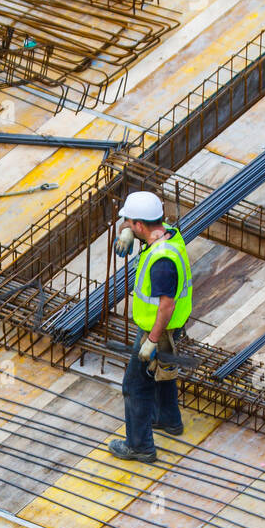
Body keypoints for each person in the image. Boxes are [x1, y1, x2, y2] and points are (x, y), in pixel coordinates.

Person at [108, 190, 192, 464]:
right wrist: (125, 231)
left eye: (131, 224)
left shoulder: (162, 262)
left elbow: (166, 304)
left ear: (141, 226)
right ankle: (168, 420)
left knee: (135, 387)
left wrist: (152, 341)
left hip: (158, 329)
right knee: (162, 374)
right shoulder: (167, 233)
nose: (127, 226)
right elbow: (139, 223)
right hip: (171, 328)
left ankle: (139, 446)